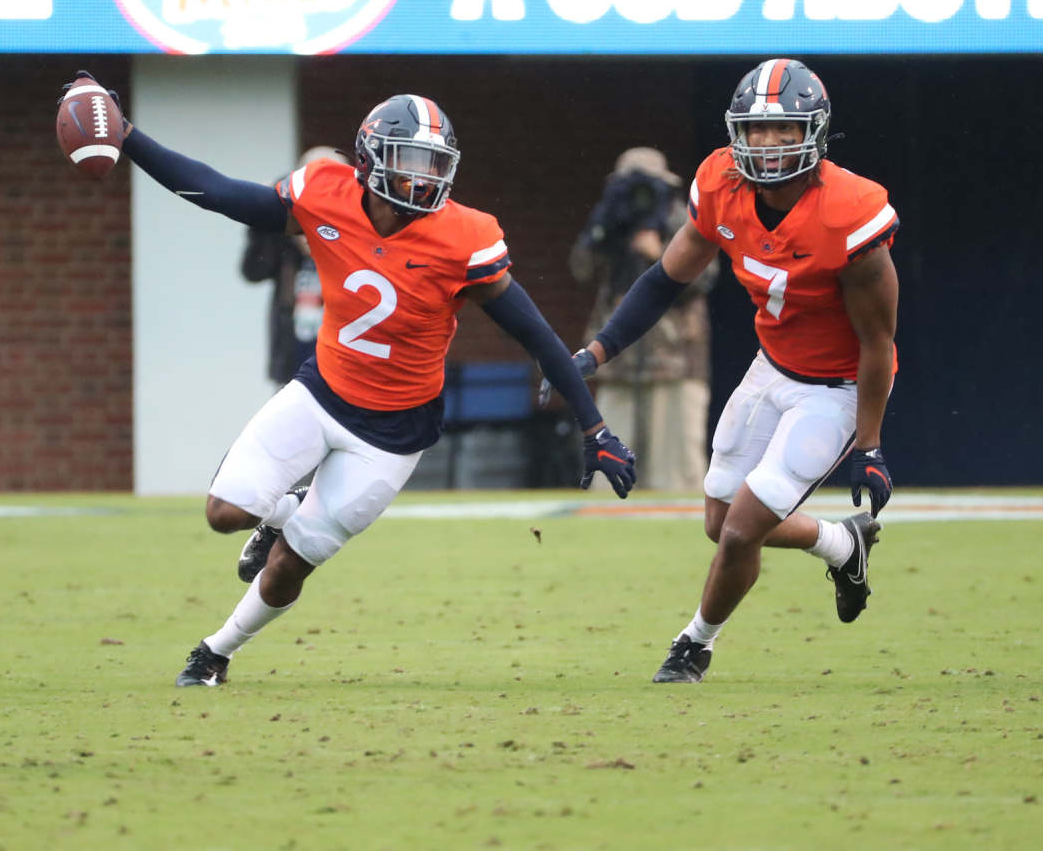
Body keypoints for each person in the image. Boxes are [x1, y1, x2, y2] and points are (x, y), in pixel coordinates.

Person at [60, 75, 636, 687]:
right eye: (410, 161)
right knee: (224, 512)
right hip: (320, 391)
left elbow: (537, 335)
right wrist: (130, 137)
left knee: (293, 564)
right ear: (367, 162)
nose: (423, 178)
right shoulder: (324, 192)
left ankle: (215, 652)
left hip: (395, 433)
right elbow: (220, 193)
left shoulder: (465, 236)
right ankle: (281, 510)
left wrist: (594, 426)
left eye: (434, 164)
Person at [566, 58, 898, 683]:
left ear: (816, 134)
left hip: (836, 388)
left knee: (742, 531)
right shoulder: (720, 182)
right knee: (718, 523)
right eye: (756, 130)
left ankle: (694, 644)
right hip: (770, 368)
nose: (768, 146)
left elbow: (877, 341)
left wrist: (871, 445)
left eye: (784, 131)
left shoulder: (850, 211)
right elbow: (665, 278)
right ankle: (840, 544)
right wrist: (599, 350)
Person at [557, 146, 716, 491]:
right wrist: (604, 226)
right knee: (609, 476)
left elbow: (706, 278)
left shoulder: (684, 218)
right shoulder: (614, 218)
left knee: (676, 477)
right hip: (618, 364)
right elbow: (580, 269)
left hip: (676, 362)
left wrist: (660, 253)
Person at [241, 147, 349, 387]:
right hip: (293, 366)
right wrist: (261, 217)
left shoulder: (352, 245)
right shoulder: (285, 248)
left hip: (341, 371)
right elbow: (252, 271)